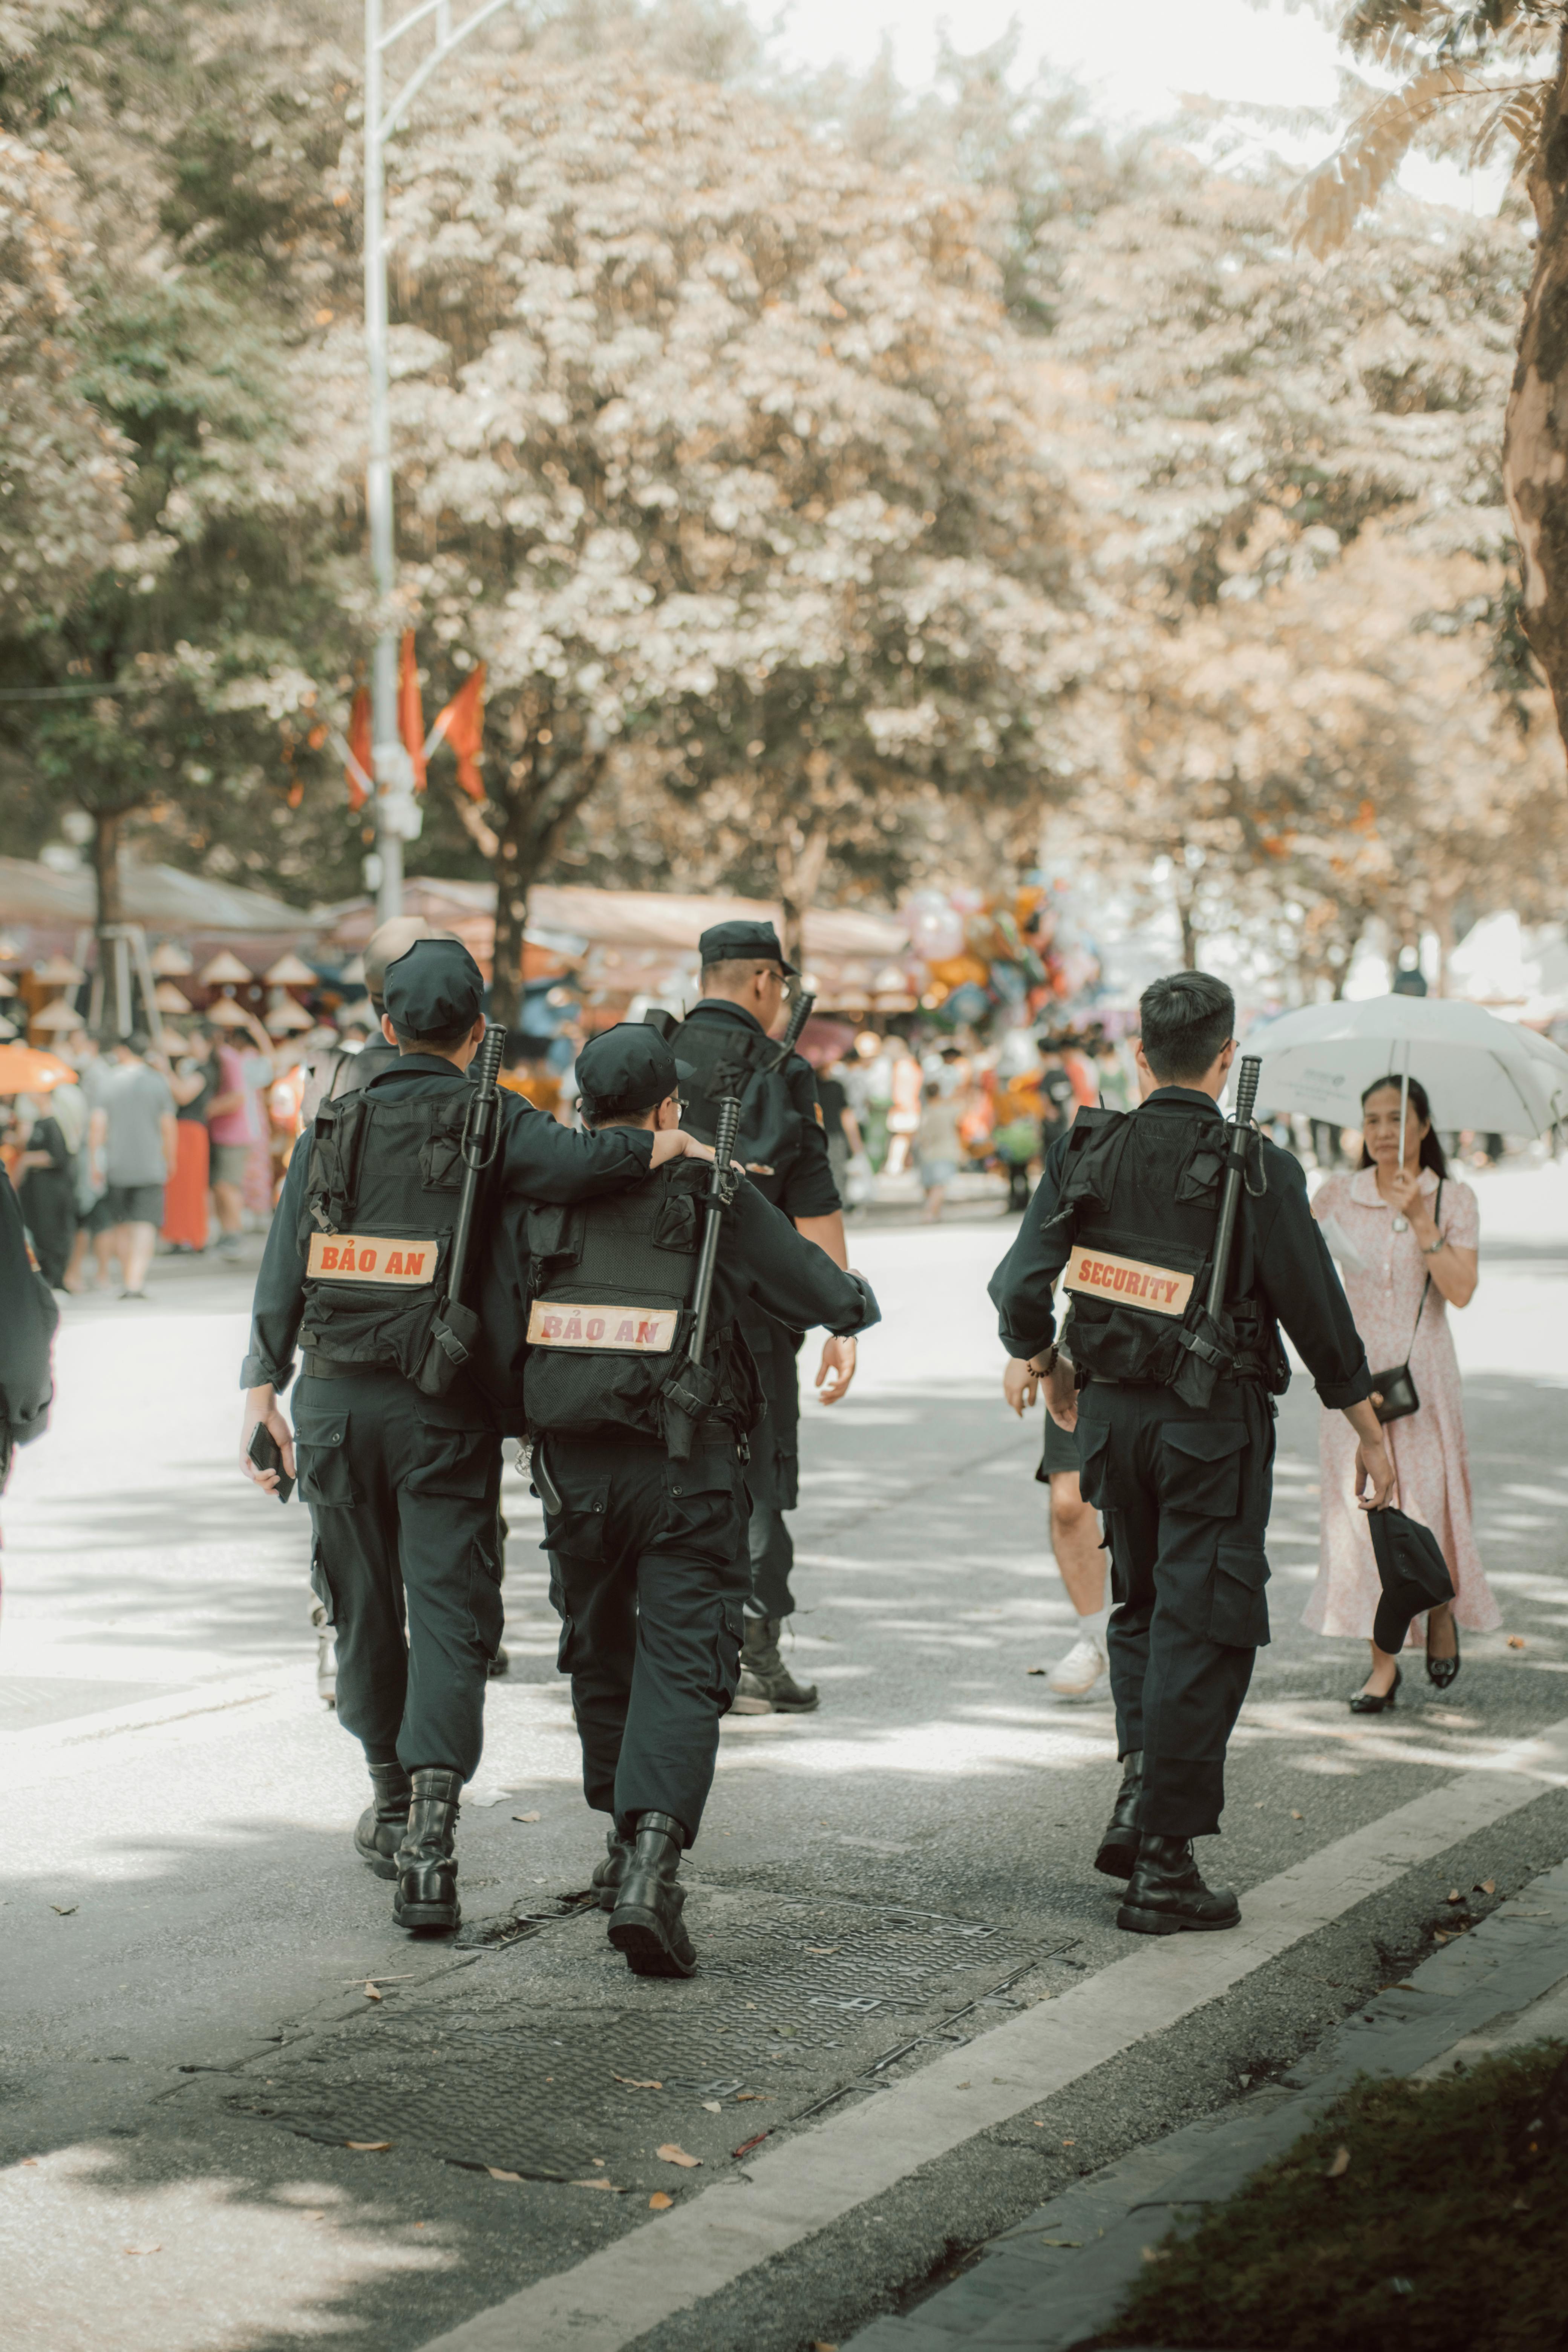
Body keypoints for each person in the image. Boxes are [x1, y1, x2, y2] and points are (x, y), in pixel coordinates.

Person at [238, 938, 708, 1935]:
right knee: (449, 1614)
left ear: (386, 1025)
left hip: (330, 1402)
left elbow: (287, 1255)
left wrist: (258, 1390)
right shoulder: (490, 1116)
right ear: (476, 1028)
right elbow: (585, 1164)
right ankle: (431, 1853)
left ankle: (391, 1794)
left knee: (361, 1609)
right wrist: (663, 1145)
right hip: (440, 1408)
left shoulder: (336, 1118)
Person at [989, 971, 1395, 1936]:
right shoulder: (1256, 1164)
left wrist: (1042, 1356)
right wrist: (1369, 1431)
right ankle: (1163, 1863)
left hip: (1113, 1424)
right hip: (1209, 1429)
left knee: (1139, 1610)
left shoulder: (1088, 1145)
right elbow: (1317, 1315)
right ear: (1226, 1055)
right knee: (1202, 1627)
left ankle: (1141, 1790)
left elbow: (1016, 1284)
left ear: (1140, 1054)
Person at [529, 1024, 880, 1975]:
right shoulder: (709, 1186)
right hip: (688, 1467)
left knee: (598, 1649)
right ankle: (650, 1863)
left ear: (581, 1105)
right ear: (668, 1111)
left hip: (573, 1469)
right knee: (683, 1662)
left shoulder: (544, 1193)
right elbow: (808, 1284)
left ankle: (617, 1841)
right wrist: (855, 1303)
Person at [660, 919, 856, 1713]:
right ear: (765, 983)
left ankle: (680, 1650)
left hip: (653, 1313)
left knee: (664, 1475)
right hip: (757, 1318)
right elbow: (814, 1202)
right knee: (761, 1483)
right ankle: (754, 1650)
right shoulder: (782, 1073)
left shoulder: (649, 1055)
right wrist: (841, 1316)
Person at [1308, 1073, 1495, 1707]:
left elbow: (1462, 1291)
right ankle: (1382, 1665)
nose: (1384, 1132)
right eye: (1373, 1120)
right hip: (1356, 1377)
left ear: (1423, 1126)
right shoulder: (1336, 1196)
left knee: (1430, 1508)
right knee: (1368, 1518)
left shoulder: (1453, 1199)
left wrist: (1418, 1217)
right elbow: (1301, 1275)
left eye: (1396, 1118)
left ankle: (1441, 1606)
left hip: (1426, 1376)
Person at [1002, 1362, 1109, 1696]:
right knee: (1069, 1506)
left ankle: (1167, 1641)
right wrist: (1026, 1353)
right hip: (1088, 1339)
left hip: (1182, 1339)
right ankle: (1098, 1641)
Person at [88, 1032, 176, 1299]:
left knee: (122, 1224)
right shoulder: (157, 1081)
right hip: (150, 1164)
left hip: (117, 1165)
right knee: (146, 1225)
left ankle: (127, 1278)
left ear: (122, 1050)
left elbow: (98, 1125)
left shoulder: (107, 1081)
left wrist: (95, 1160)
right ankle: (135, 1281)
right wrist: (170, 1158)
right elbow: (168, 1126)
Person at [12, 1091, 78, 1288]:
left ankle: (57, 1279)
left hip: (51, 1191)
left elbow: (58, 1156)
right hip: (36, 1191)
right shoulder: (38, 1122)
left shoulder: (52, 1123)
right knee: (40, 1233)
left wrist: (28, 1161)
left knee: (52, 1234)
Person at [163, 1029, 215, 1253]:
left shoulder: (205, 1071)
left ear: (207, 1045)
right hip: (180, 1129)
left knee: (192, 1185)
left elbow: (183, 1094)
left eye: (195, 1040)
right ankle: (177, 1235)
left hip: (191, 1130)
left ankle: (195, 1237)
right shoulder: (188, 1067)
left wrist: (166, 1070)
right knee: (176, 1185)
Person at [915, 1077, 965, 1221]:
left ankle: (935, 1212)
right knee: (940, 1186)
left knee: (931, 1186)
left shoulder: (926, 1112)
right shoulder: (949, 1110)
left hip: (928, 1153)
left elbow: (921, 1136)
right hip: (946, 1151)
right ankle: (930, 1212)